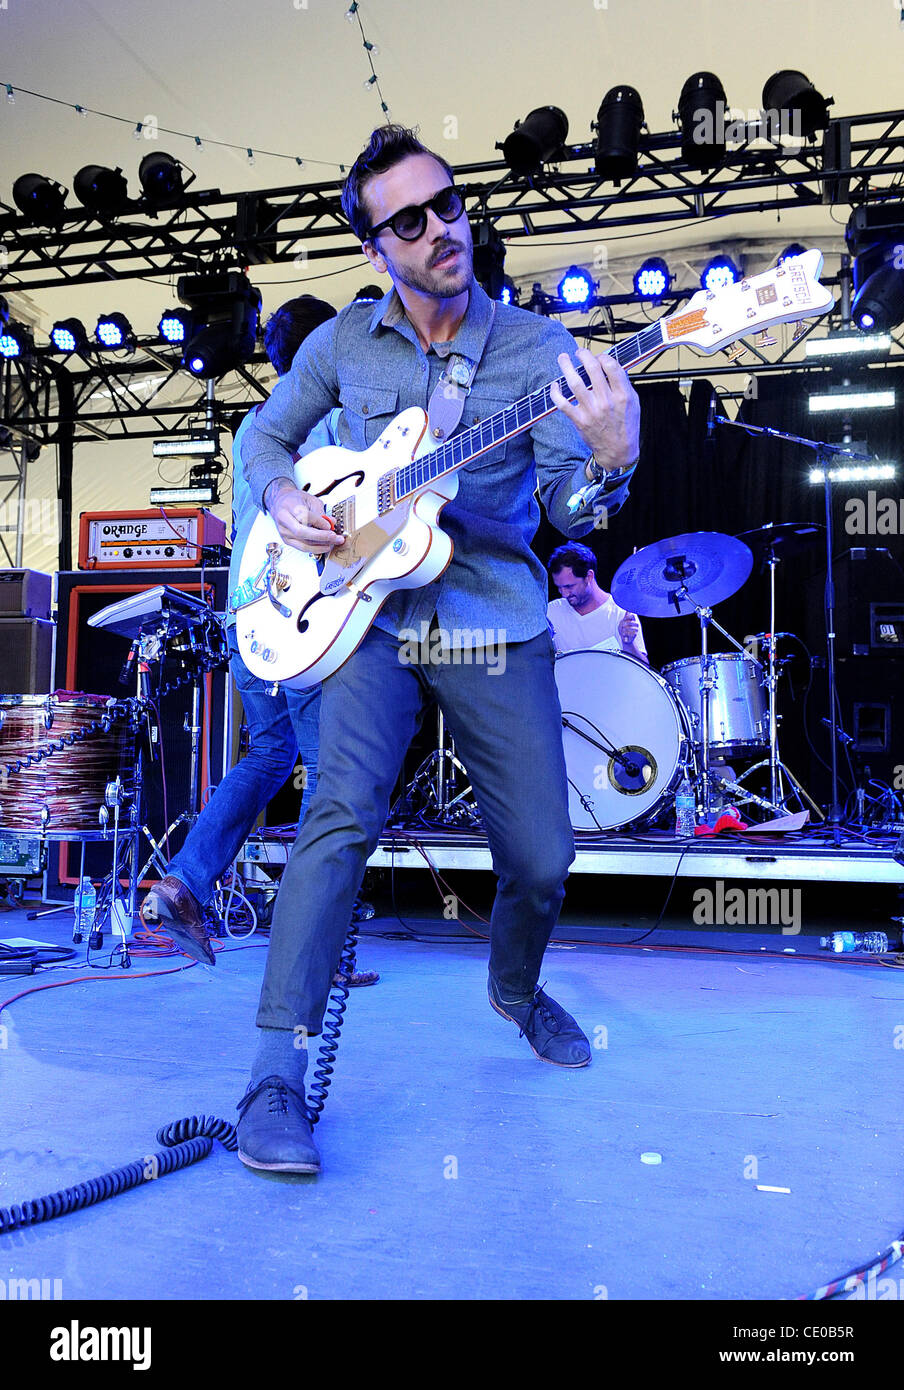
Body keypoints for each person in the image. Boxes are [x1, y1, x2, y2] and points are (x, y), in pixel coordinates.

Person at [235, 124, 641, 1174]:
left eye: (447, 204)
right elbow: (262, 441)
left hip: (489, 615)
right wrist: (283, 498)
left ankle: (512, 985)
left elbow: (565, 503)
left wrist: (610, 458)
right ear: (376, 247)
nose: (438, 230)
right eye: (407, 220)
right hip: (365, 618)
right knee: (338, 814)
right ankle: (275, 1075)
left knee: (544, 857)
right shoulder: (340, 344)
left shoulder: (542, 352)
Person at [139, 295, 378, 987]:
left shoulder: (256, 426)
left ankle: (184, 882)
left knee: (270, 754)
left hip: (249, 620)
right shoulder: (335, 424)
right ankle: (311, 943)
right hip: (301, 625)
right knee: (330, 774)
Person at [547, 542, 648, 663]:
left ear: (589, 576)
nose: (564, 594)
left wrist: (628, 643)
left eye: (569, 586)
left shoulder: (620, 612)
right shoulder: (551, 612)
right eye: (559, 587)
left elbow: (642, 669)